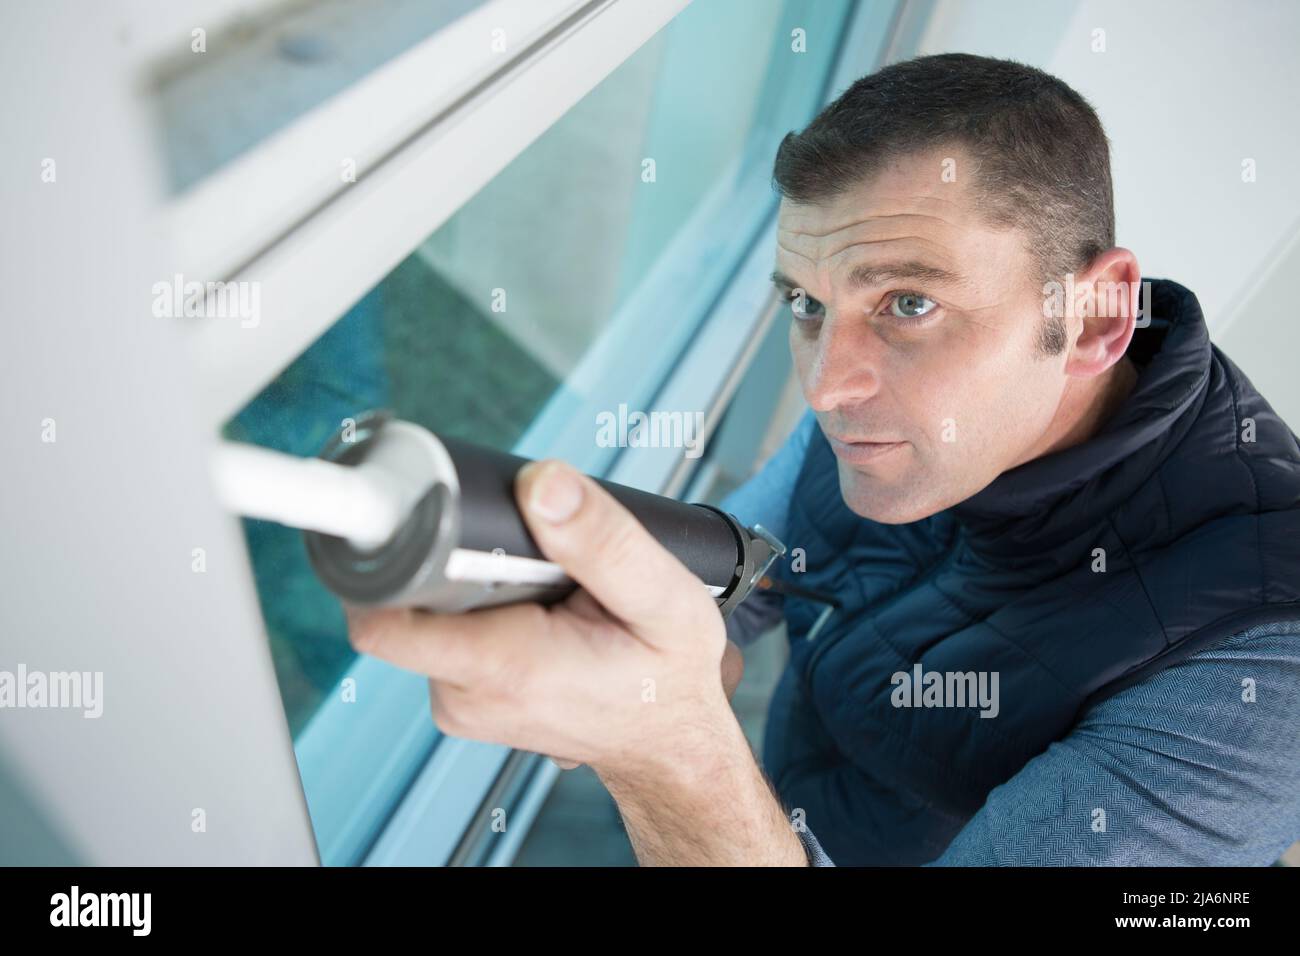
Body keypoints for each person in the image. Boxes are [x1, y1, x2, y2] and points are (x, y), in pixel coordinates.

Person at [346, 54, 1300, 865]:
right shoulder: (886, 407)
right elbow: (755, 579)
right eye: (806, 305)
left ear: (1093, 317)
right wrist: (624, 617)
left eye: (909, 305)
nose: (827, 385)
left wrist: (669, 757)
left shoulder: (1262, 678)